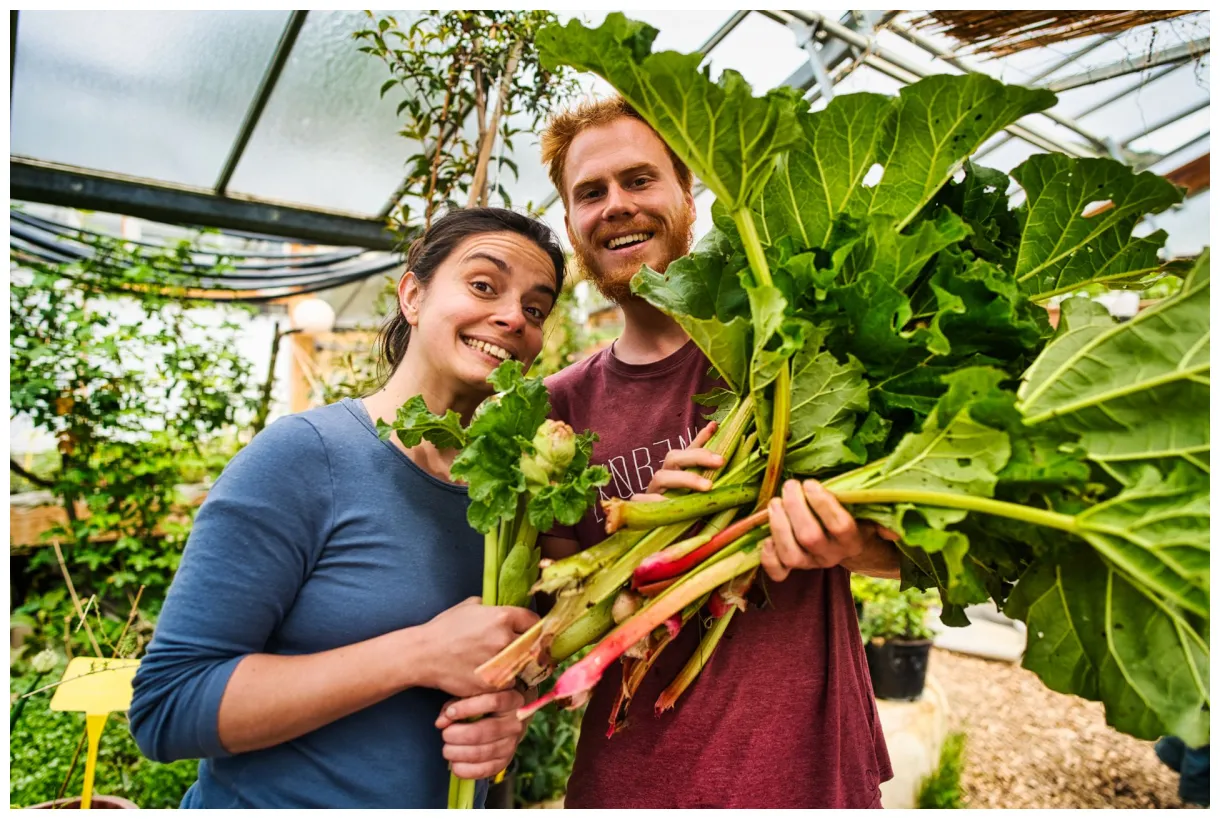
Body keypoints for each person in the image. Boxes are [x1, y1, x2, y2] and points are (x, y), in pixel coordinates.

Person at [128, 208, 568, 808]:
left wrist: (504, 717)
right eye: (484, 285)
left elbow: (488, 672)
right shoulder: (303, 456)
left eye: (536, 308)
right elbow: (168, 705)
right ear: (412, 294)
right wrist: (420, 654)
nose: (513, 316)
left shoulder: (511, 498)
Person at [536, 97, 902, 809]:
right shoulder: (558, 407)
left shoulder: (793, 351)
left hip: (810, 775)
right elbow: (551, 603)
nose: (617, 205)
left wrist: (845, 543)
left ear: (688, 197)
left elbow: (908, 551)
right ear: (573, 223)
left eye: (639, 180)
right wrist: (634, 536)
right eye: (591, 192)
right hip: (634, 782)